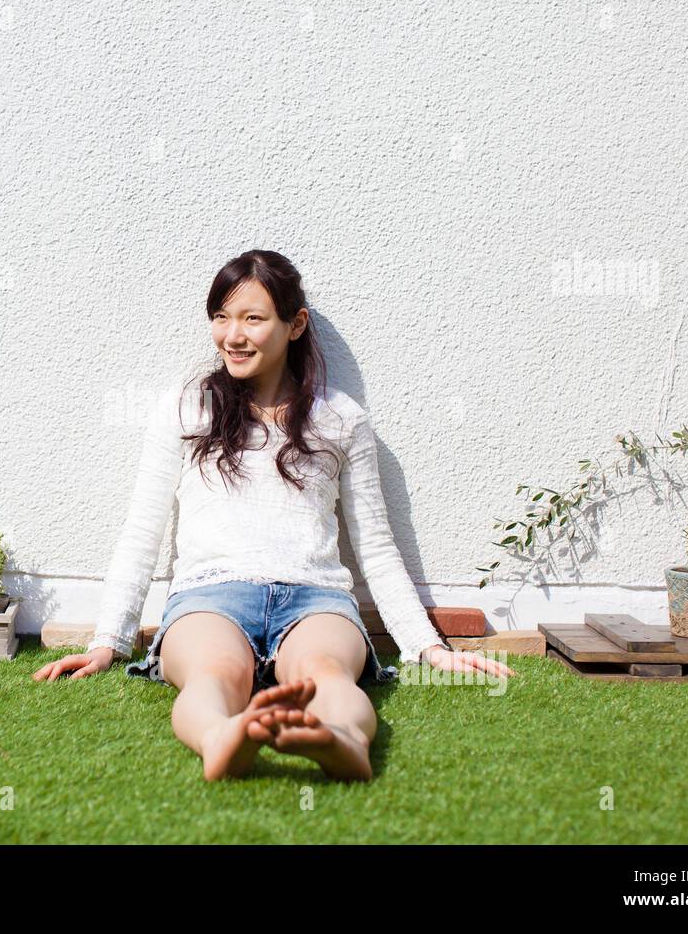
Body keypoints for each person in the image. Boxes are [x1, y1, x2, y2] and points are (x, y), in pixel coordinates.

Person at [34, 249, 513, 781]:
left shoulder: (342, 420)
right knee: (216, 674)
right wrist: (108, 642)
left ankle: (345, 740)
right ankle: (221, 738)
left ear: (295, 325)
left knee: (327, 674)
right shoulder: (187, 408)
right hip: (210, 595)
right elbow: (141, 532)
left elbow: (376, 547)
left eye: (253, 318)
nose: (232, 335)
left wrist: (428, 648)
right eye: (221, 316)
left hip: (316, 599)